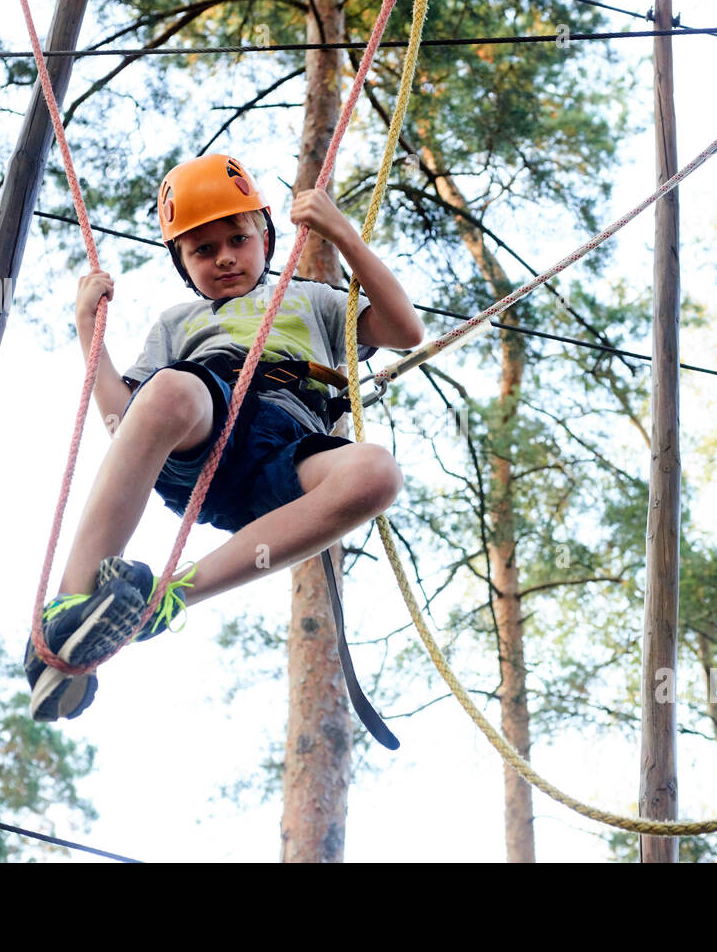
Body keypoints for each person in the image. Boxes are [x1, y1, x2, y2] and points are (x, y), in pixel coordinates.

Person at [26, 153, 422, 722]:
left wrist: (340, 232)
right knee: (165, 393)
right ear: (183, 264)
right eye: (203, 251)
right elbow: (124, 425)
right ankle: (70, 604)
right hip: (205, 432)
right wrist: (89, 330)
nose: (226, 258)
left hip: (284, 452)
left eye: (237, 238)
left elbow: (406, 330)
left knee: (378, 473)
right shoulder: (176, 323)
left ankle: (168, 600)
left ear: (264, 235)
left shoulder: (312, 299)